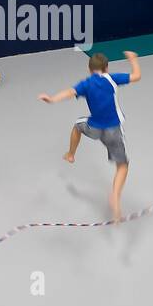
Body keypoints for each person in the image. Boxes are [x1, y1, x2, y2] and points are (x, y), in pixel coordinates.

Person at [39, 51, 141, 222]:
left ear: (89, 69)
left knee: (77, 126)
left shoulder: (86, 84)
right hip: (113, 130)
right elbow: (137, 76)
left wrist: (51, 99)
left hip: (93, 128)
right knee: (122, 165)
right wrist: (133, 59)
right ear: (106, 68)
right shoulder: (112, 78)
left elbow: (68, 92)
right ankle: (115, 196)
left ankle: (71, 154)